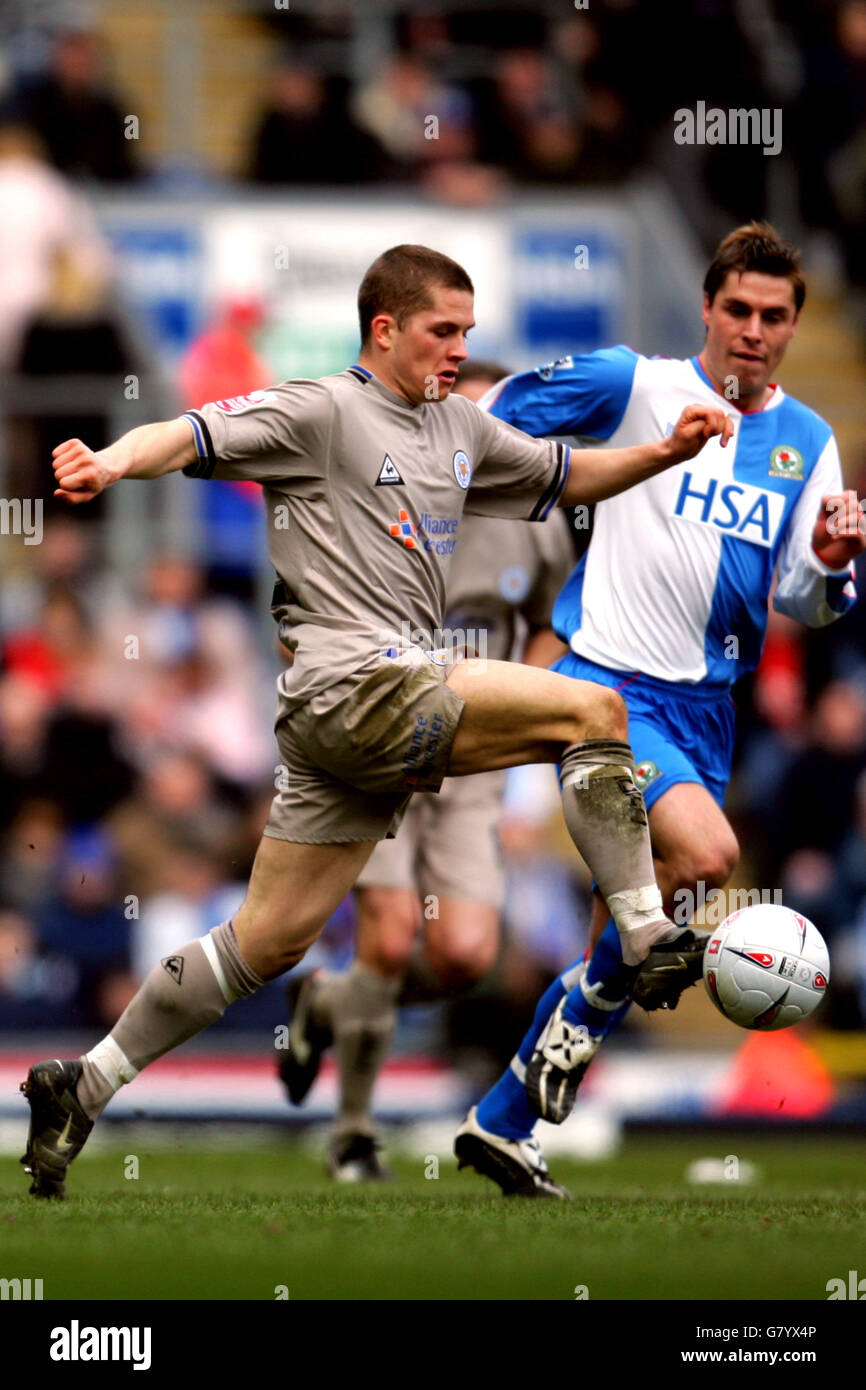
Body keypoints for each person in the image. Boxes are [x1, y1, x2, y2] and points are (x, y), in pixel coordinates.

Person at [21, 243, 730, 1200]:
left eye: (468, 334)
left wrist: (665, 453)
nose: (459, 350)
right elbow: (189, 435)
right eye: (443, 332)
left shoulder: (461, 431)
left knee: (264, 942)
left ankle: (86, 1081)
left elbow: (567, 476)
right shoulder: (322, 410)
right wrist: (109, 459)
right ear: (384, 329)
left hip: (353, 723)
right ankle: (645, 934)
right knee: (593, 707)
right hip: (356, 683)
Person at [454, 222, 864, 1196]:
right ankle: (527, 1083)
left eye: (772, 316)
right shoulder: (632, 383)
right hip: (605, 688)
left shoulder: (807, 442)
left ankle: (505, 1116)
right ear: (707, 310)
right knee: (712, 856)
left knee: (647, 923)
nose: (752, 331)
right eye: (737, 310)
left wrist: (836, 564)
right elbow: (501, 410)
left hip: (706, 713)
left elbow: (802, 597)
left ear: (793, 325)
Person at [277, 359, 574, 1180]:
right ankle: (354, 1134)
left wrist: (528, 692)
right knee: (392, 931)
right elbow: (301, 615)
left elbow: (553, 623)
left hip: (476, 756)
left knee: (464, 954)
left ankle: (331, 1002)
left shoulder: (537, 517)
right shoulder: (377, 500)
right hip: (383, 743)